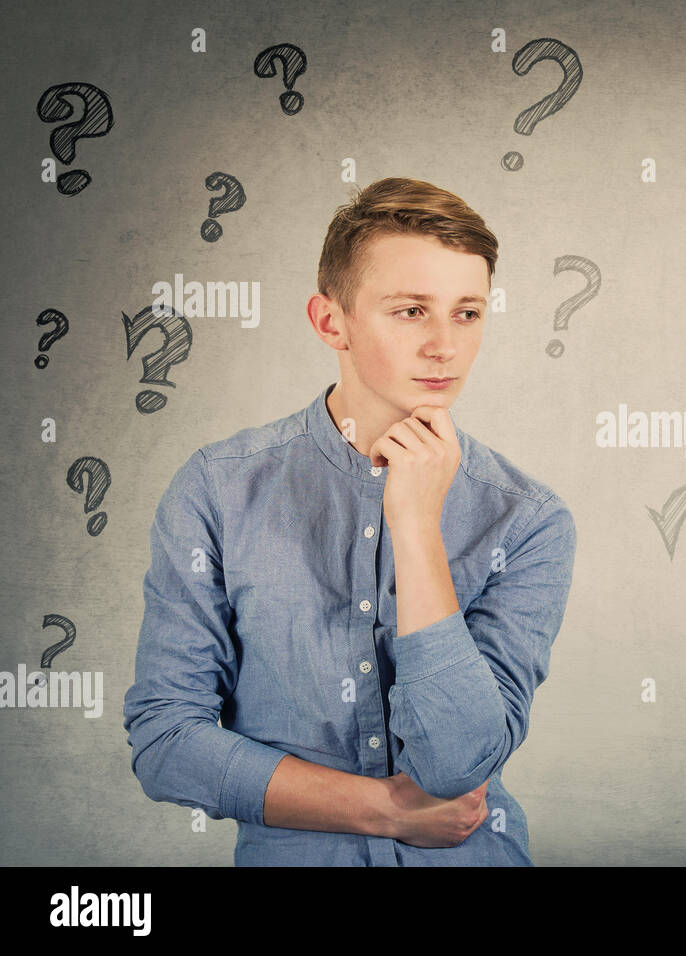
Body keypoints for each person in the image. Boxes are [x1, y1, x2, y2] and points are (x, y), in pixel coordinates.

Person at [123, 177, 577, 865]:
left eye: (467, 313)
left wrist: (417, 525)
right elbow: (166, 743)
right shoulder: (218, 488)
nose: (444, 347)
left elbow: (458, 766)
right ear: (331, 321)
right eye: (410, 311)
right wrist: (388, 812)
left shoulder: (529, 520)